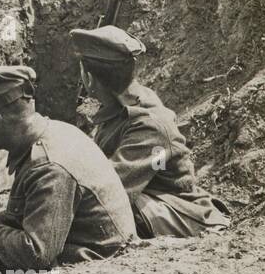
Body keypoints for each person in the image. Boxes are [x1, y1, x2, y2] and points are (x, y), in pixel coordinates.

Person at [0, 65, 136, 274]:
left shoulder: (49, 166)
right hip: (90, 252)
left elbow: (36, 253)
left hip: (100, 270)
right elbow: (28, 216)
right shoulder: (52, 134)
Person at [70, 25, 230, 238]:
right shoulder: (122, 107)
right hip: (150, 196)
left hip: (180, 214)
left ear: (89, 78)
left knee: (99, 211)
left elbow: (110, 188)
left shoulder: (149, 125)